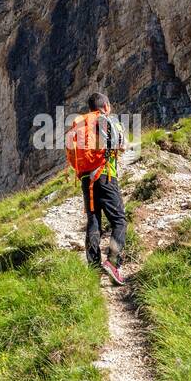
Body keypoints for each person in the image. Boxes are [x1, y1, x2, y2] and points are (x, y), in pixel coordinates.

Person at [65, 91, 127, 282]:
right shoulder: (108, 120)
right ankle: (113, 262)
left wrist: (83, 171)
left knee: (94, 221)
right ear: (106, 106)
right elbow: (122, 145)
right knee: (119, 221)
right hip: (106, 174)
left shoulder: (79, 123)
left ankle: (94, 267)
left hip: (85, 178)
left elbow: (70, 151)